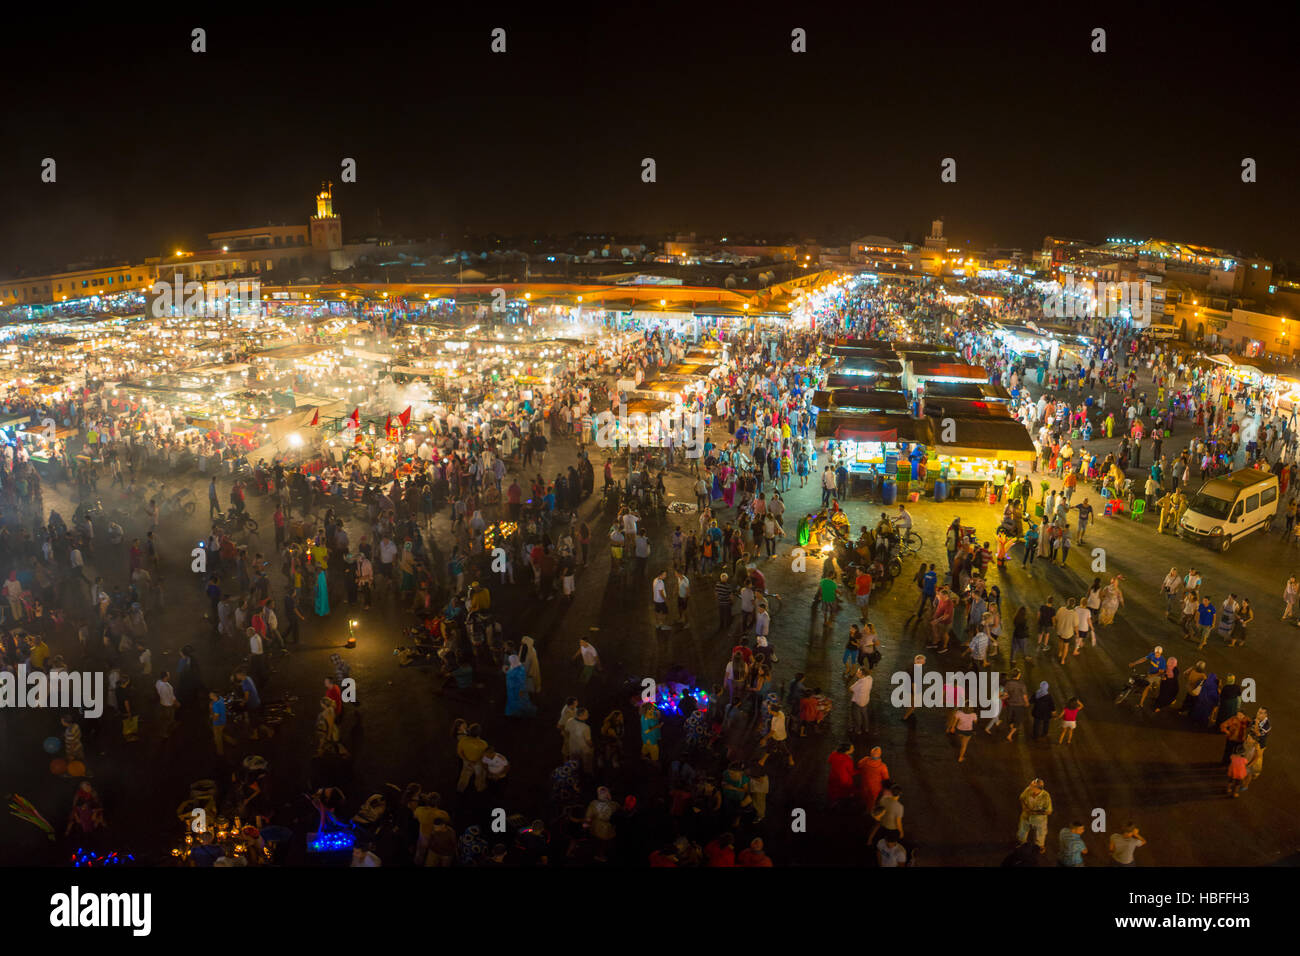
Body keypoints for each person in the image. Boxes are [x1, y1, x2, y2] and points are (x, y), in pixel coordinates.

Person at [1016, 778, 1053, 853]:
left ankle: (1040, 846)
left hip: (1039, 820)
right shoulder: (1028, 790)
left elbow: (1049, 811)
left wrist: (1035, 813)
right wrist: (1024, 807)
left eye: (1032, 786)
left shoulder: (1046, 796)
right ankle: (1022, 843)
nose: (1029, 786)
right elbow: (1022, 798)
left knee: (1040, 833)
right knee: (1022, 830)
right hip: (1026, 817)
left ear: (1038, 788)